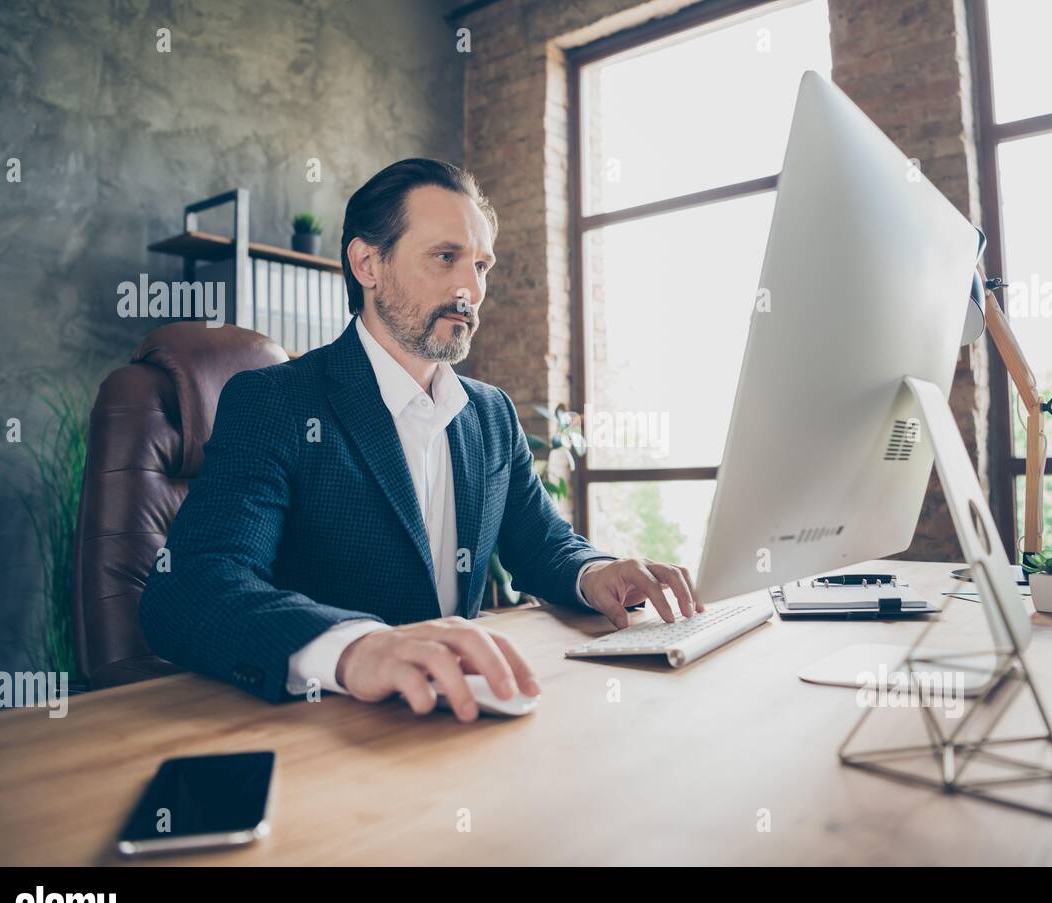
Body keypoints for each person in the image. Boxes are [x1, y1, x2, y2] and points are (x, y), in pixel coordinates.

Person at [140, 159, 704, 721]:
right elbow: (191, 587)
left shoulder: (489, 413)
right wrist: (354, 646)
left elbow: (539, 544)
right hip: (328, 727)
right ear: (368, 264)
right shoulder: (277, 403)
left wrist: (595, 572)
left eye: (482, 265)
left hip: (463, 716)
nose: (470, 289)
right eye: (445, 258)